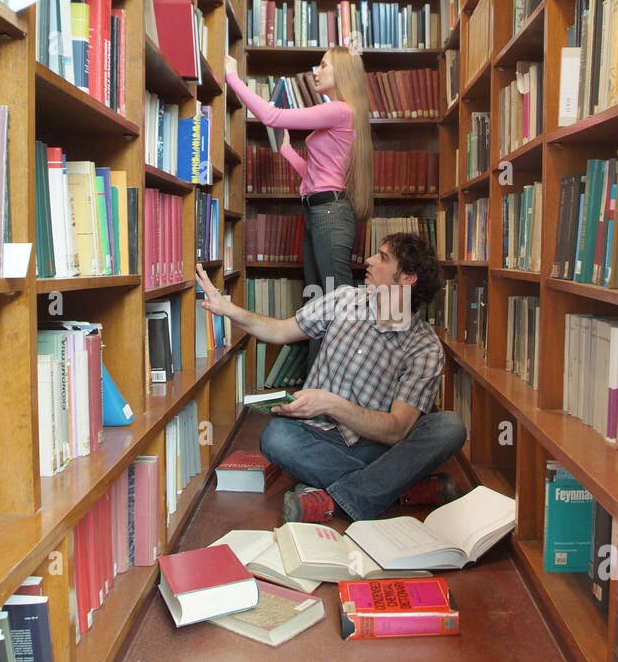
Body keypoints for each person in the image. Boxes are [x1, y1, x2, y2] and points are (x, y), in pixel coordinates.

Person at [194, 232, 466, 524]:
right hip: (318, 436)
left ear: (408, 278)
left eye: (383, 257)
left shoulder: (424, 347)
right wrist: (227, 309)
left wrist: (331, 404)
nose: (370, 260)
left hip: (377, 444)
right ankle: (399, 487)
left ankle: (338, 498)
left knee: (449, 427)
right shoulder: (344, 299)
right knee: (276, 438)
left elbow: (397, 430)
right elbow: (279, 331)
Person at [223, 48, 373, 365]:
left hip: (330, 215)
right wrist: (289, 151)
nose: (316, 70)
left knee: (337, 305)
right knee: (320, 305)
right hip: (318, 210)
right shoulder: (339, 113)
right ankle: (318, 388)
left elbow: (272, 116)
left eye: (324, 64)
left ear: (343, 72)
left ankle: (344, 388)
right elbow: (316, 176)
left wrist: (233, 78)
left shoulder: (340, 111)